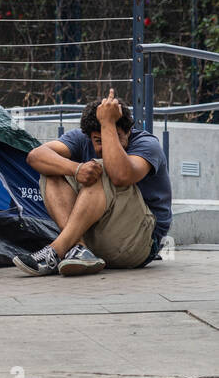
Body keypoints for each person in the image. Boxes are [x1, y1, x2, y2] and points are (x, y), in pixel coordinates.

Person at [13, 88, 171, 276]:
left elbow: (121, 175)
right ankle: (79, 249)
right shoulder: (80, 138)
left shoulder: (147, 144)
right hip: (94, 238)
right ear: (89, 137)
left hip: (140, 242)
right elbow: (36, 156)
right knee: (52, 170)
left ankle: (56, 250)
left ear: (128, 132)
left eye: (115, 136)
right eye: (98, 140)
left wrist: (108, 124)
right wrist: (76, 169)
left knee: (101, 167)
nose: (105, 146)